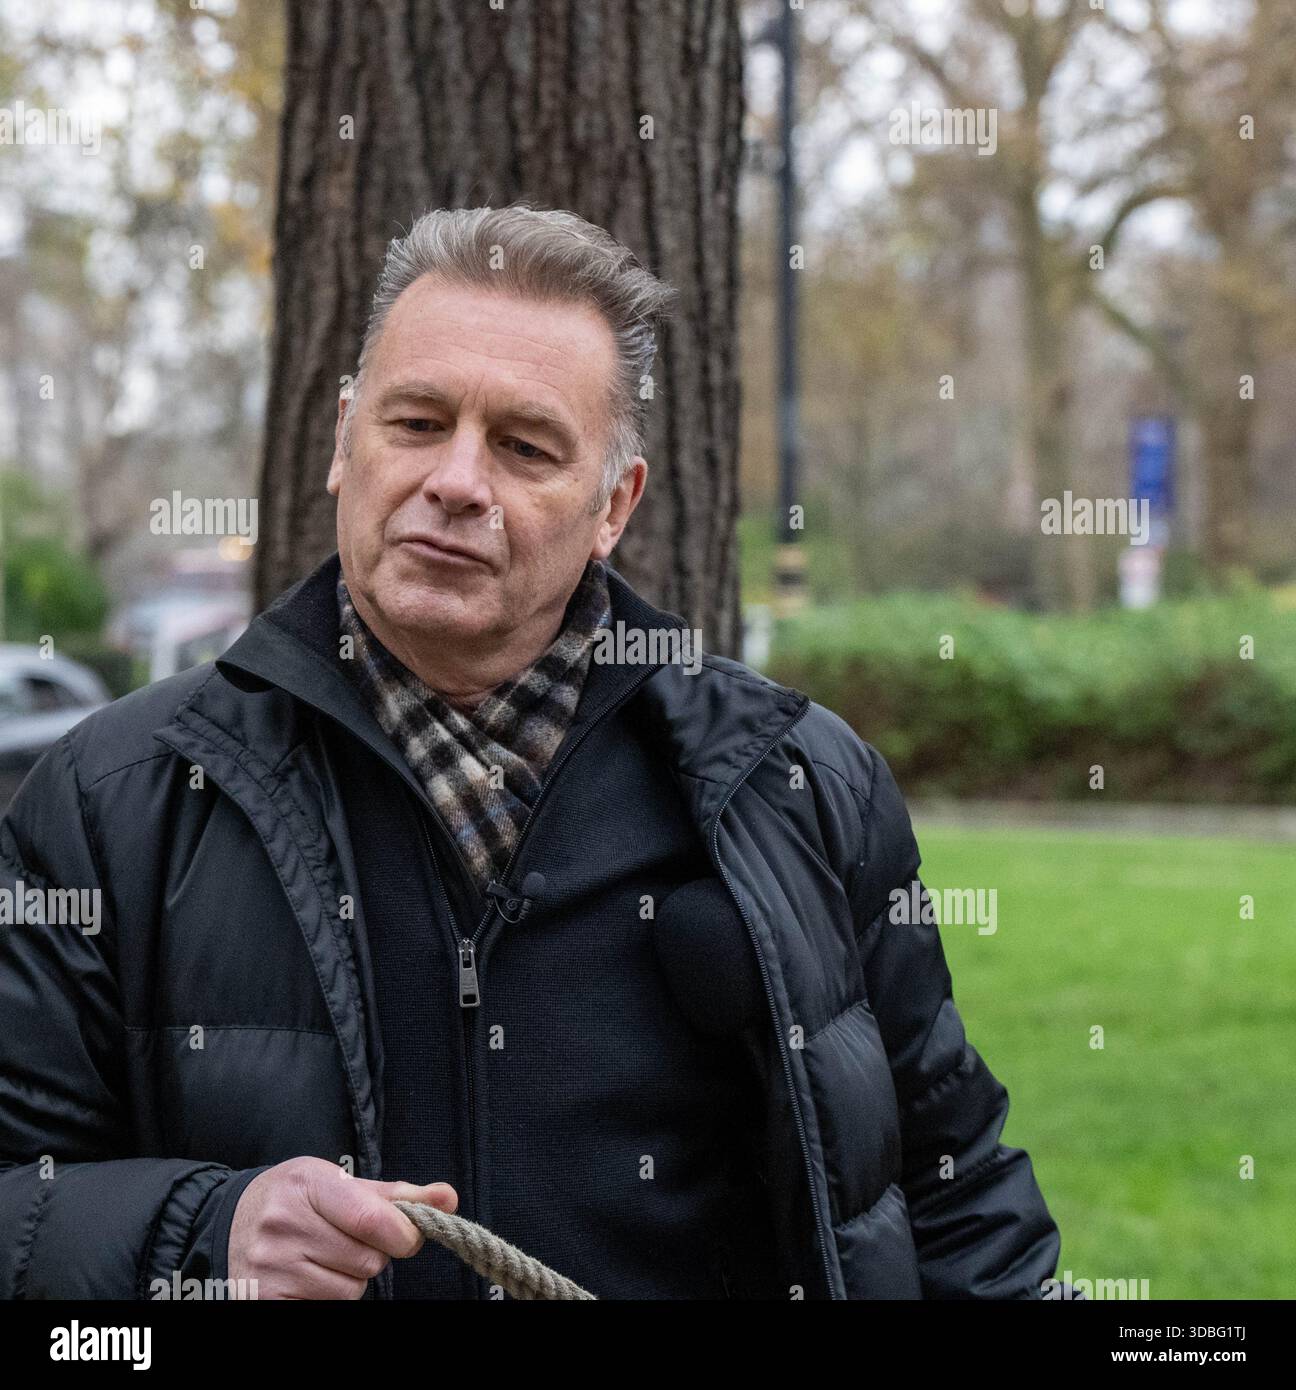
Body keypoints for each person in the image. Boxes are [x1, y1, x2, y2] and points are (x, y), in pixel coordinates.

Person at [0, 203, 1069, 1300]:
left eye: (524, 447)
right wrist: (204, 1237)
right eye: (416, 424)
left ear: (615, 505)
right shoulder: (113, 801)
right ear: (342, 442)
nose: (458, 481)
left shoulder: (796, 788)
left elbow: (953, 1199)